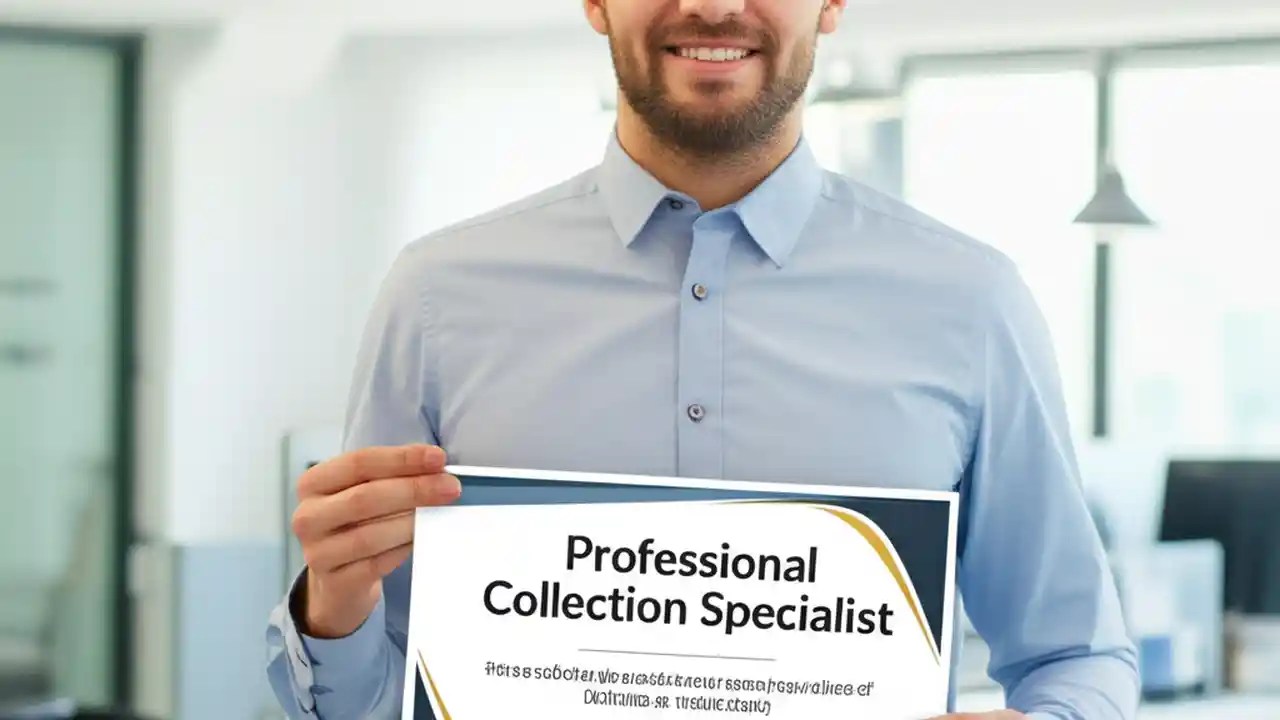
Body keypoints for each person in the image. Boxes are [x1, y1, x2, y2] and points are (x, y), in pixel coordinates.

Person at [265, 0, 1139, 717]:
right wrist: (333, 613)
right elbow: (372, 701)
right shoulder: (436, 297)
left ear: (833, 4)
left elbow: (1080, 656)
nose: (713, 6)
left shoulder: (972, 302)